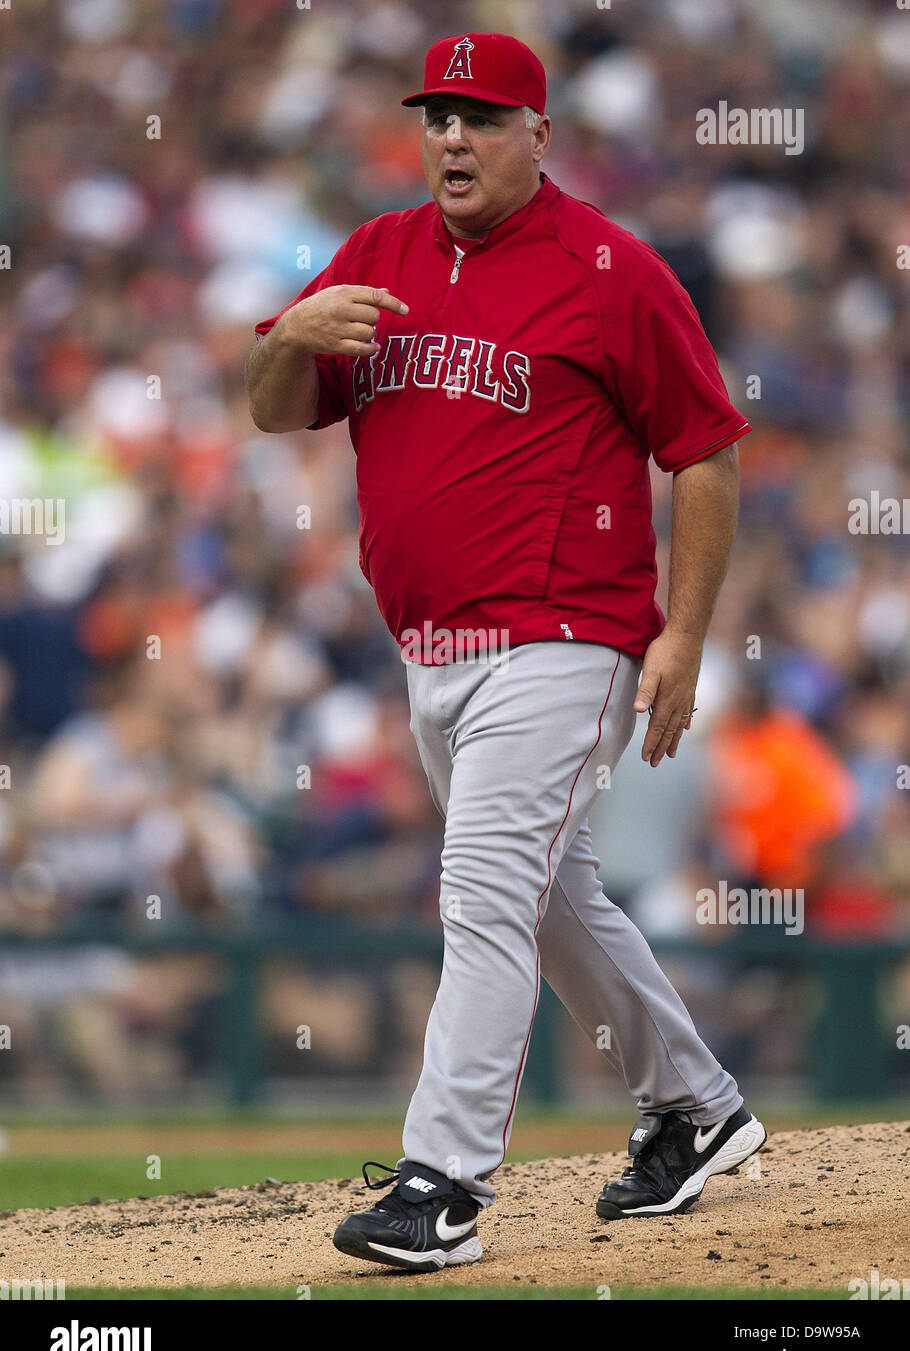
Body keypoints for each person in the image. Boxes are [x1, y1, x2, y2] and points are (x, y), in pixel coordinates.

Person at [248, 31, 765, 1273]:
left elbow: (704, 452)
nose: (452, 139)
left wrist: (681, 636)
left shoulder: (611, 270)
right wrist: (284, 337)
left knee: (482, 892)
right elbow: (274, 409)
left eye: (480, 118)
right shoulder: (376, 253)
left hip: (563, 633)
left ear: (539, 134)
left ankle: (443, 1185)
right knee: (553, 897)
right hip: (428, 647)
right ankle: (697, 1109)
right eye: (436, 116)